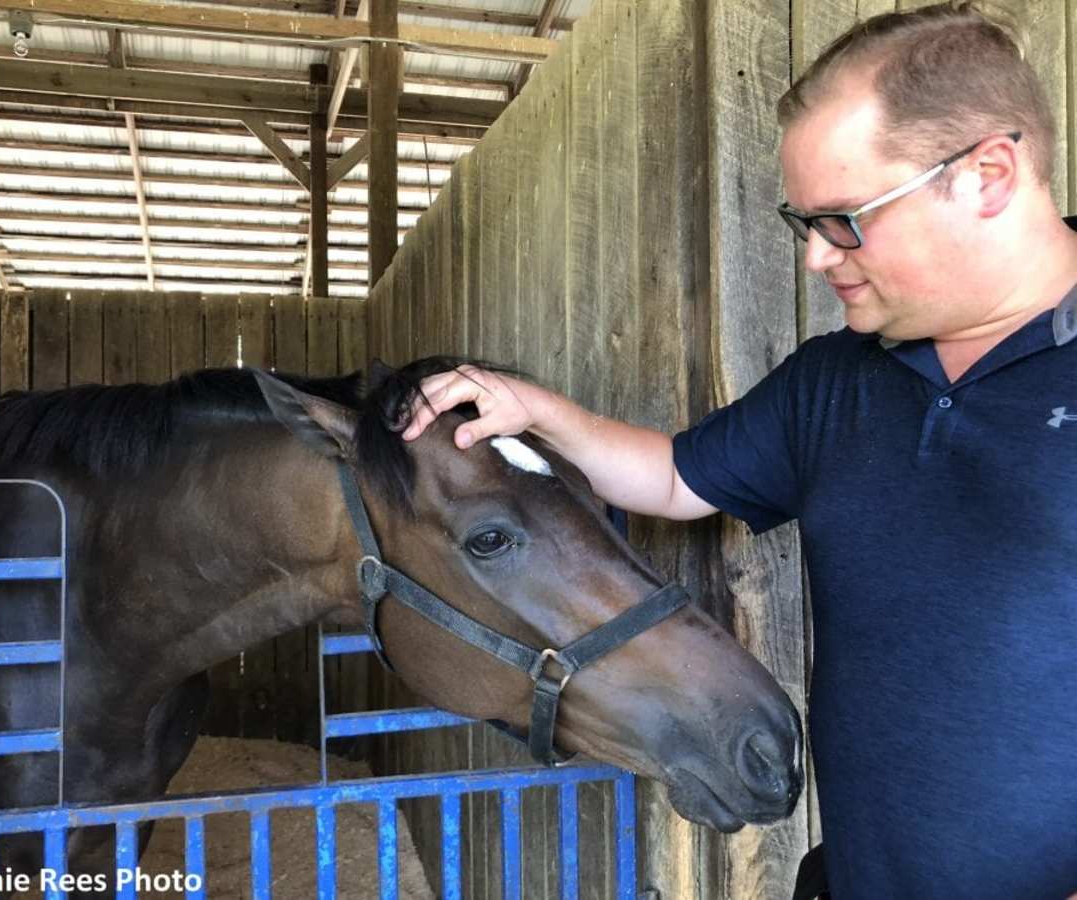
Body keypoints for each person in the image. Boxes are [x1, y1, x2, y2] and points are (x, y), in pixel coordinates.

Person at [399, 4, 1077, 899]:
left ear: (988, 176)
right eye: (805, 223)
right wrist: (539, 413)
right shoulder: (836, 379)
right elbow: (675, 477)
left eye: (844, 219)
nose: (817, 258)